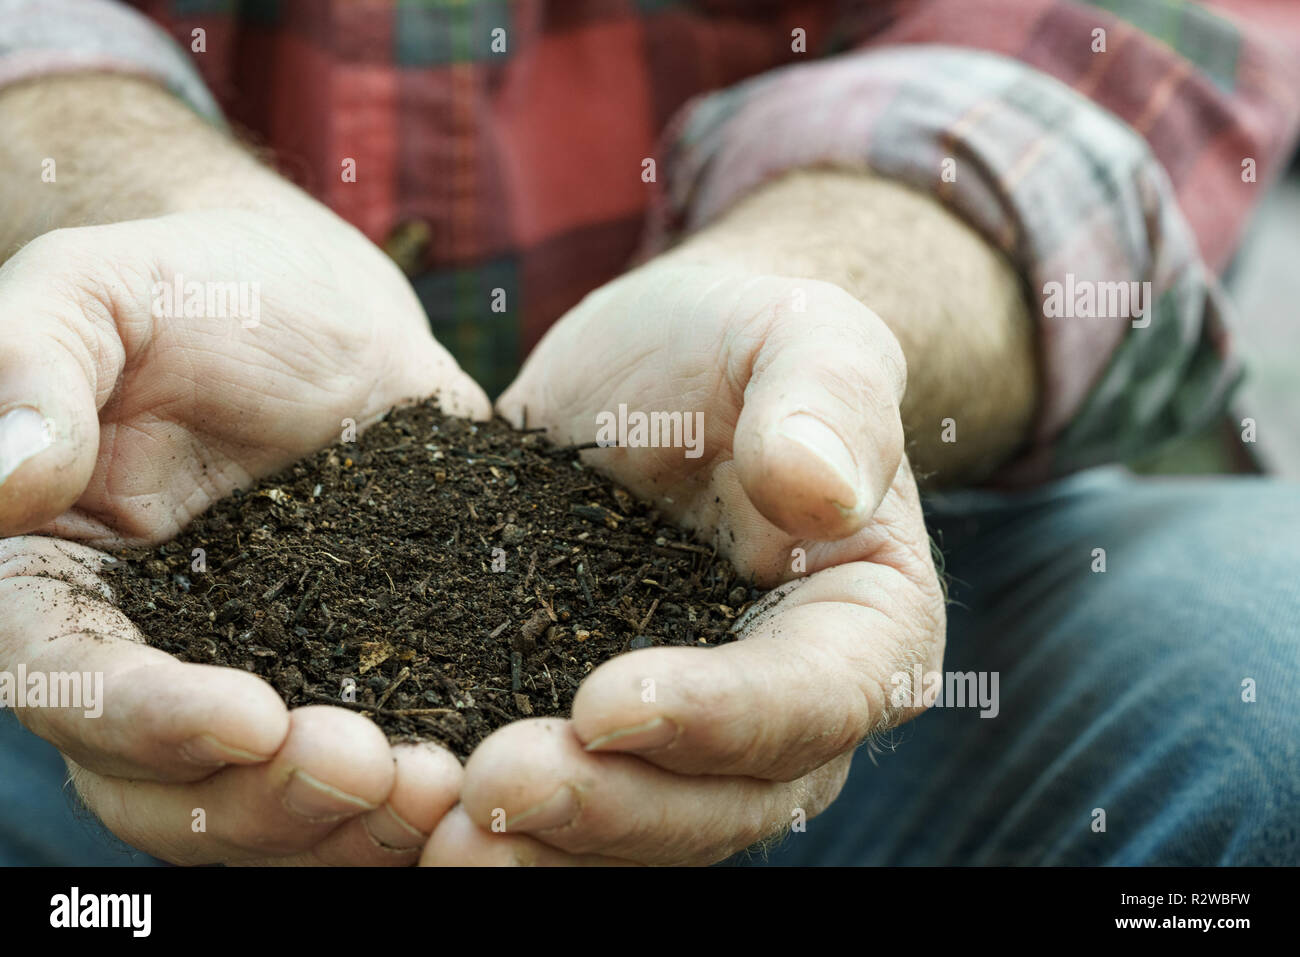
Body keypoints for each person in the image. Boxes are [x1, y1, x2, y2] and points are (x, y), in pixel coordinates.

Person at [0, 0, 1297, 867]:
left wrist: (836, 310)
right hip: (109, 527)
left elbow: (1114, 42)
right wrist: (118, 205)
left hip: (843, 547)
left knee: (1268, 688)